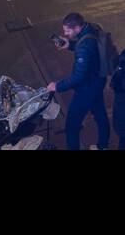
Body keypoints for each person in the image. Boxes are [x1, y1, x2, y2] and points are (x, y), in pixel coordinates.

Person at [47, 12, 112, 151]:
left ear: (77, 28)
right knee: (100, 115)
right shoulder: (92, 28)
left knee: (71, 126)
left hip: (86, 89)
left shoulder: (83, 47)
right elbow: (88, 47)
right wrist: (69, 45)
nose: (65, 33)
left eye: (67, 31)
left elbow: (78, 76)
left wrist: (57, 86)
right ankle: (102, 146)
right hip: (98, 81)